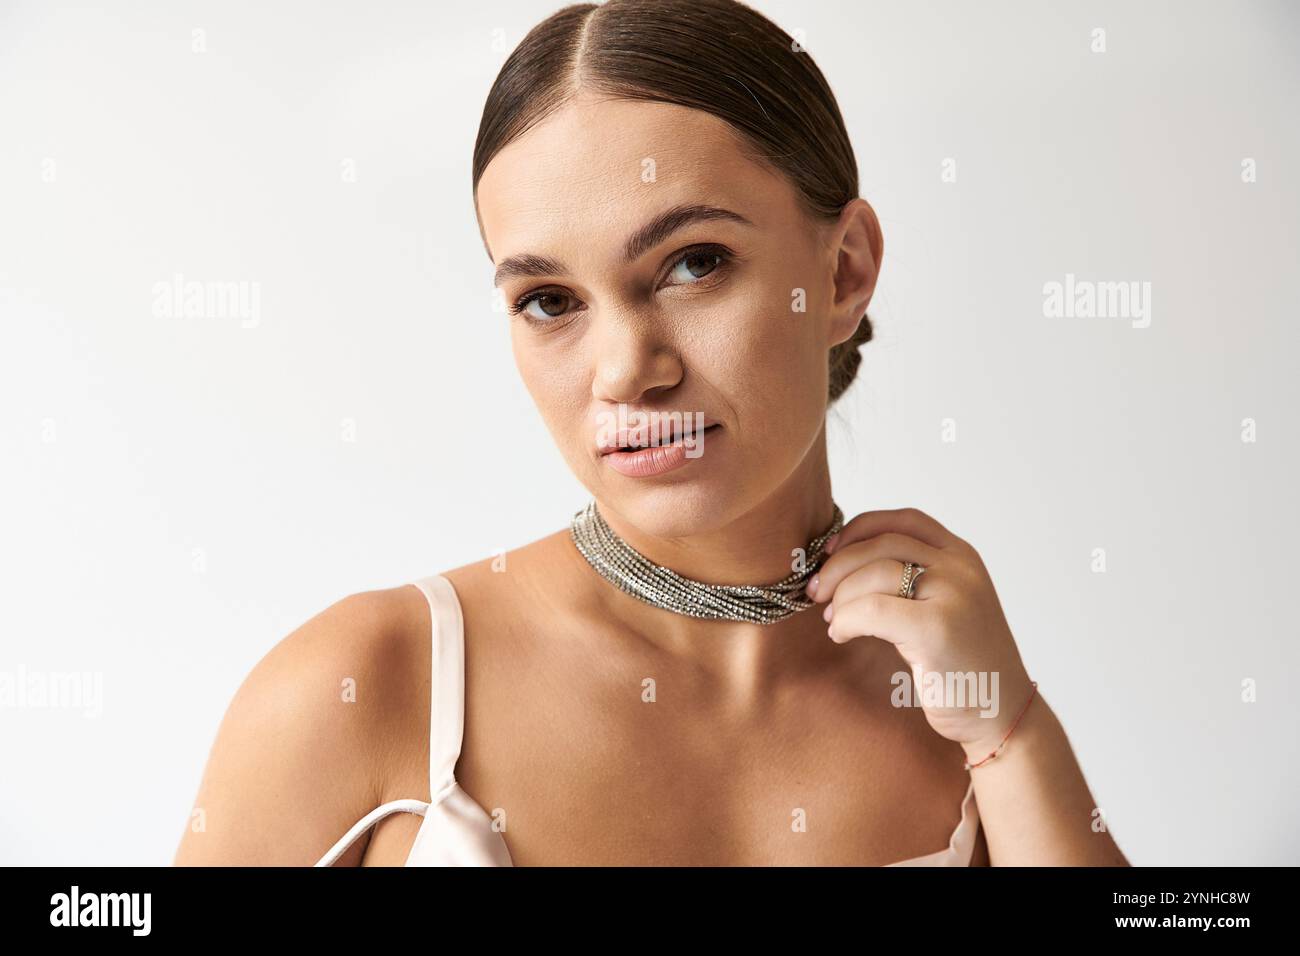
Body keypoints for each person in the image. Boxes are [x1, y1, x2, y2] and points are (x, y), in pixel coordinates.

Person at [174, 0, 1128, 867]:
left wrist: (1014, 733)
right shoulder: (371, 685)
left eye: (693, 264)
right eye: (550, 300)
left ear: (842, 274)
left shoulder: (953, 709)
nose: (627, 371)